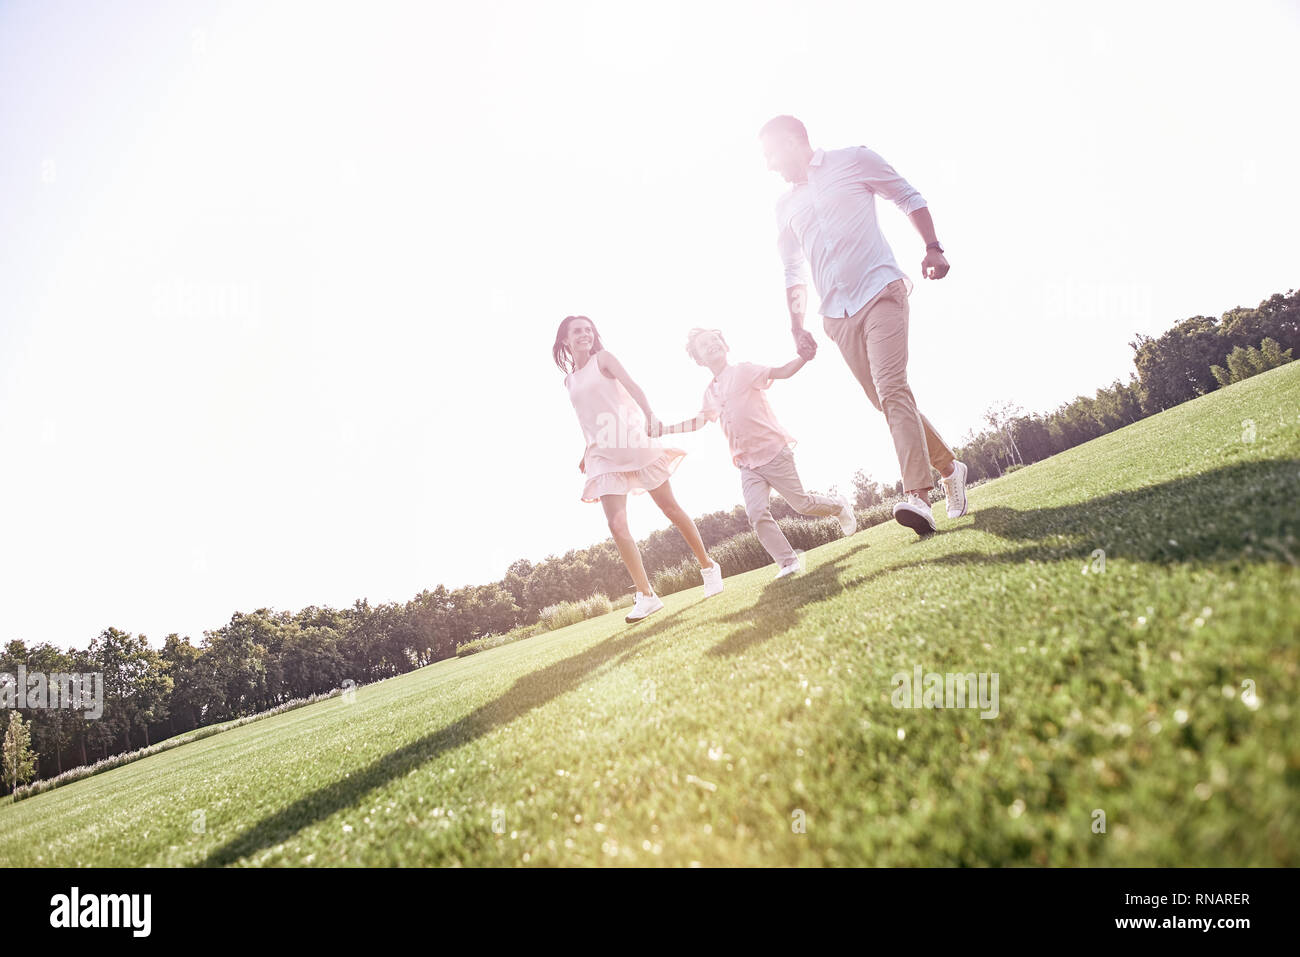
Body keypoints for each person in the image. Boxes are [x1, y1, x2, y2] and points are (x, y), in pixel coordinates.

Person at [759, 114, 970, 536]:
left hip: (881, 291)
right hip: (837, 315)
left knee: (892, 390)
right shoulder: (784, 206)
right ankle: (950, 466)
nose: (769, 165)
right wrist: (796, 325)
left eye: (771, 154)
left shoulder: (853, 160)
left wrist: (933, 247)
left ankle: (918, 498)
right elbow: (792, 270)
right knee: (888, 401)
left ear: (793, 141)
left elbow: (907, 196)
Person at [650, 327, 856, 580]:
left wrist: (803, 357)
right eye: (705, 344)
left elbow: (781, 372)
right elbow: (698, 421)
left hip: (774, 452)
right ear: (699, 359)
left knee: (801, 504)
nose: (712, 344)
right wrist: (666, 429)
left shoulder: (743, 371)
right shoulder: (709, 393)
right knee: (756, 513)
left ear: (726, 346)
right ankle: (788, 562)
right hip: (747, 464)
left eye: (715, 340)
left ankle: (838, 506)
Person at [554, 314, 722, 622]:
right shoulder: (569, 380)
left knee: (670, 508)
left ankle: (708, 566)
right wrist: (585, 450)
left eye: (589, 330)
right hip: (602, 455)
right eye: (577, 331)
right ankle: (647, 595)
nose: (584, 334)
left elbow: (633, 387)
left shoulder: (603, 359)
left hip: (633, 441)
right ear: (565, 339)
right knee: (617, 526)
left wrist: (651, 416)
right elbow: (589, 417)